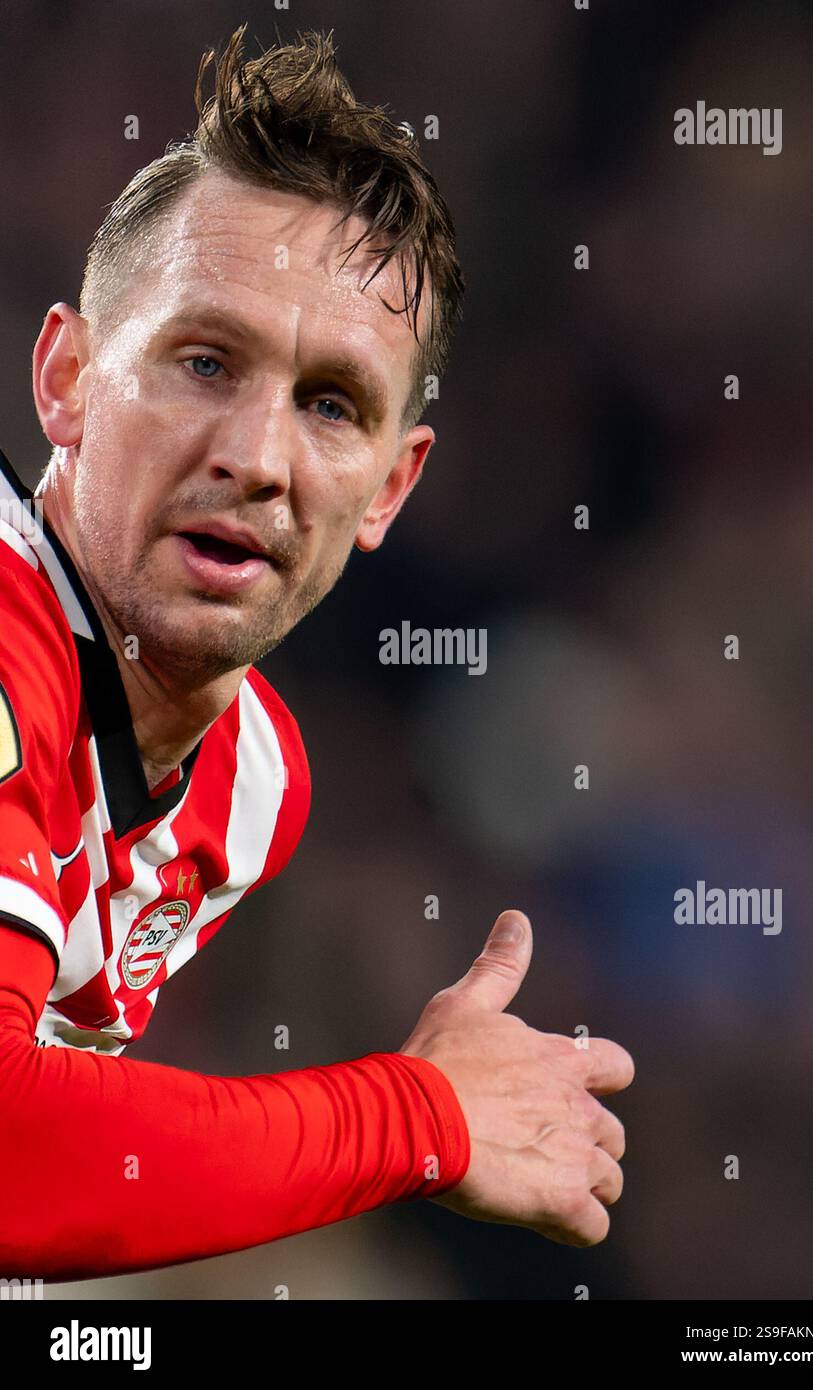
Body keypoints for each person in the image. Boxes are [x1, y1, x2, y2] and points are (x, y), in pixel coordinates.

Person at [0, 24, 633, 1282]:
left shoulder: (250, 785)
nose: (259, 456)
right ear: (67, 378)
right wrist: (421, 1118)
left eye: (329, 402)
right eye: (201, 360)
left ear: (392, 487)